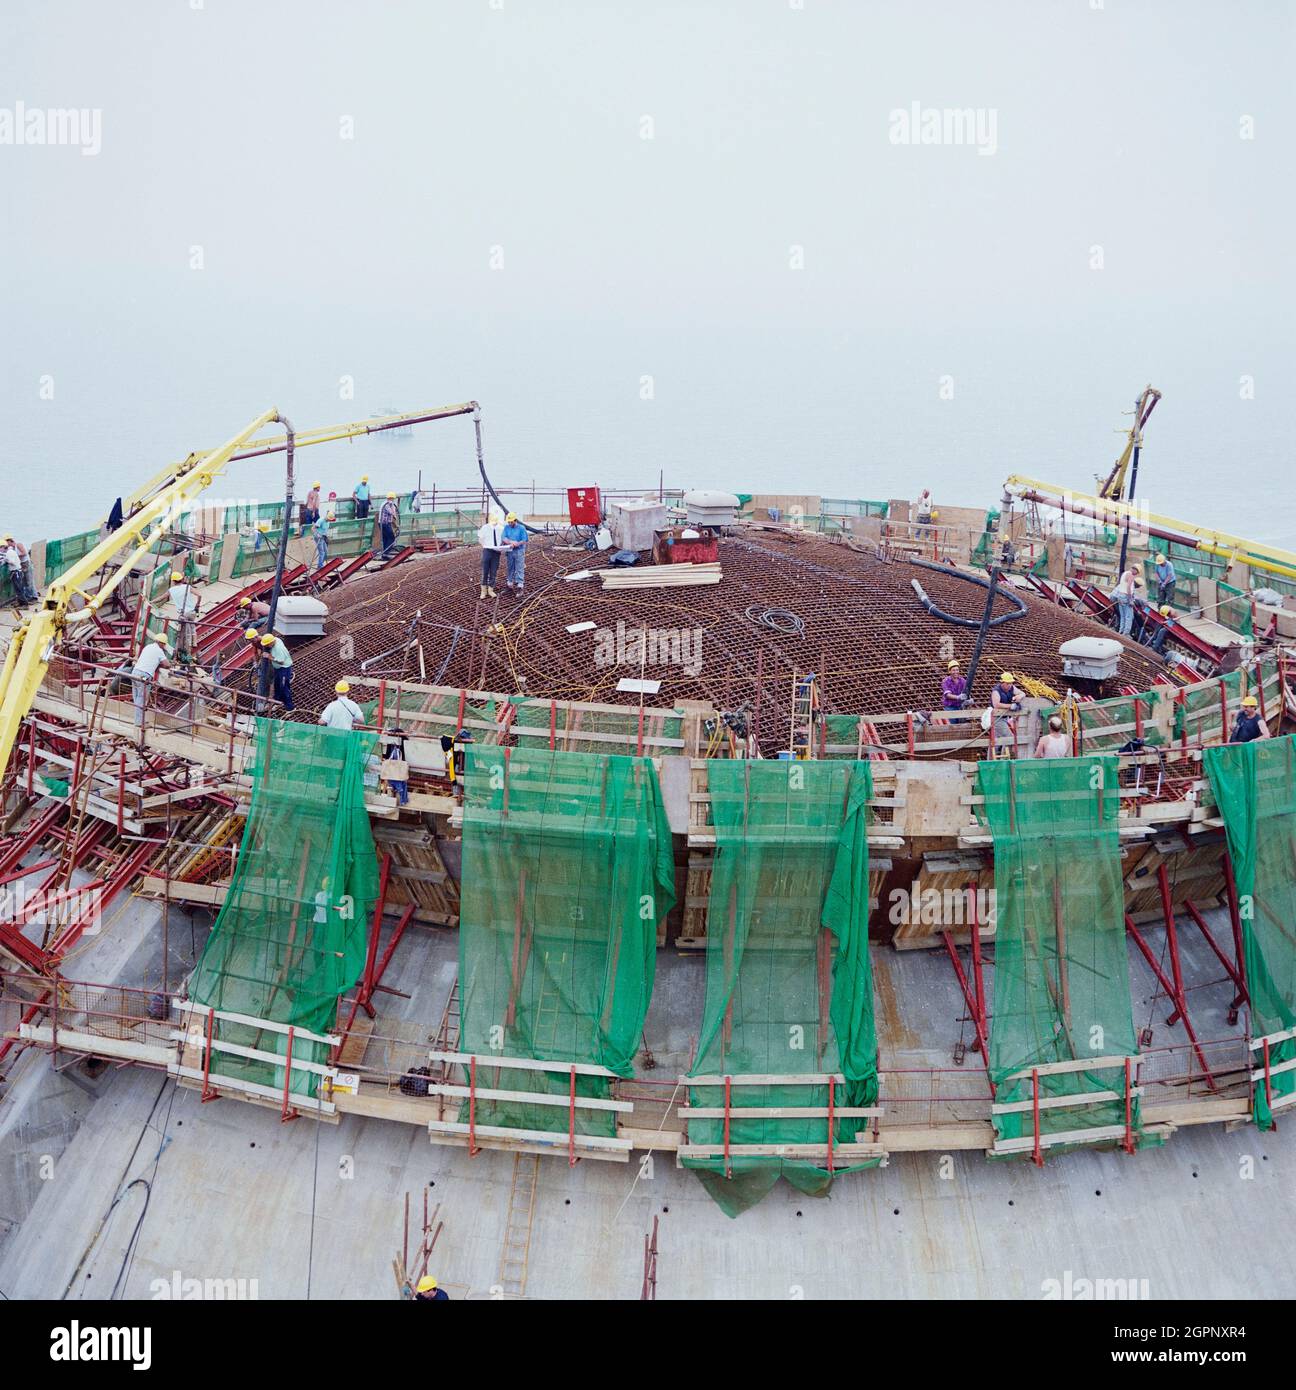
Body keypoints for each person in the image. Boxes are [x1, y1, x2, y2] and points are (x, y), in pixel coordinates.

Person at [130, 632, 171, 729]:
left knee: (137, 698)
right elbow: (167, 665)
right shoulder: (159, 651)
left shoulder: (148, 647)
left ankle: (137, 720)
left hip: (135, 672)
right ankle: (139, 723)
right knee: (142, 698)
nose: (164, 646)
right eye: (164, 644)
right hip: (144, 675)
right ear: (161, 643)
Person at [990, 671, 1027, 757]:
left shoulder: (1011, 688)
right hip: (997, 718)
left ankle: (994, 758)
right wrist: (1010, 706)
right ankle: (1004, 758)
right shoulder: (996, 691)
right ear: (1002, 683)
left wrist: (1019, 696)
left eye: (1010, 683)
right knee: (1009, 737)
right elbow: (996, 704)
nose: (1009, 685)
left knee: (997, 740)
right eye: (1007, 683)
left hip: (1005, 717)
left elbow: (1023, 693)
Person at [168, 570, 199, 660]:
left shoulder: (171, 590)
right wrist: (198, 605)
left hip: (184, 614)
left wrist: (151, 602)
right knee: (192, 629)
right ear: (181, 580)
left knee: (185, 634)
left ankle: (186, 652)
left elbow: (161, 597)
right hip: (192, 612)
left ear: (173, 581)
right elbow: (199, 595)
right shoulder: (187, 587)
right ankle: (194, 644)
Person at [258, 631, 294, 710]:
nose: (267, 646)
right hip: (278, 669)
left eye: (267, 645)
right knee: (277, 685)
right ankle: (278, 701)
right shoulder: (276, 639)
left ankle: (289, 707)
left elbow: (281, 661)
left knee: (284, 687)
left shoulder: (278, 648)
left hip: (284, 668)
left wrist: (269, 656)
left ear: (271, 643)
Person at [477, 512, 505, 599]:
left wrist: (501, 547)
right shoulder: (485, 528)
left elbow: (503, 540)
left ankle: (491, 590)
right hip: (487, 550)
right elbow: (480, 538)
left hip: (496, 552)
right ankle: (483, 591)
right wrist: (484, 546)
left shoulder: (501, 528)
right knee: (485, 570)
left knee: (494, 571)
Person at [2, 536, 37, 604]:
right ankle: (28, 597)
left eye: (6, 542)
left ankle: (33, 597)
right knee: (24, 582)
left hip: (26, 564)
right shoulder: (12, 549)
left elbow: (24, 553)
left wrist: (15, 556)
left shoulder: (18, 544)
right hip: (21, 565)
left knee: (29, 581)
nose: (6, 544)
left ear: (10, 540)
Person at [502, 512, 528, 594]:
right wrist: (510, 542)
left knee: (519, 568)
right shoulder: (506, 527)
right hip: (510, 551)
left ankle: (520, 587)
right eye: (508, 522)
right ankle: (509, 585)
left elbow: (524, 540)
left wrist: (517, 543)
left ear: (515, 520)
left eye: (511, 522)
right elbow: (503, 537)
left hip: (519, 551)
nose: (510, 523)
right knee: (510, 568)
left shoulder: (521, 528)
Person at [383, 727, 409, 806]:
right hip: (398, 769)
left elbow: (387, 755)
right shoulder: (402, 743)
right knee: (400, 782)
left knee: (395, 780)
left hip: (393, 769)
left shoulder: (392, 743)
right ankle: (402, 798)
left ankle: (397, 793)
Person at [1112, 566, 1142, 636]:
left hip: (1120, 596)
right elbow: (1128, 587)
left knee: (1123, 615)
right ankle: (1126, 633)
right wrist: (1130, 599)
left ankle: (1121, 630)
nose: (1136, 574)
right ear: (1135, 570)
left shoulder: (1124, 574)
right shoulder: (1131, 575)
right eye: (1137, 573)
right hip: (1126, 596)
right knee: (1129, 616)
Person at [379, 492, 401, 557]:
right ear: (389, 498)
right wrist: (393, 507)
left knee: (386, 538)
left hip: (385, 523)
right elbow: (392, 513)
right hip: (384, 524)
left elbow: (394, 513)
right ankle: (386, 552)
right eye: (392, 498)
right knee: (391, 538)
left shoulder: (389, 504)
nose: (393, 500)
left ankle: (385, 553)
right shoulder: (386, 505)